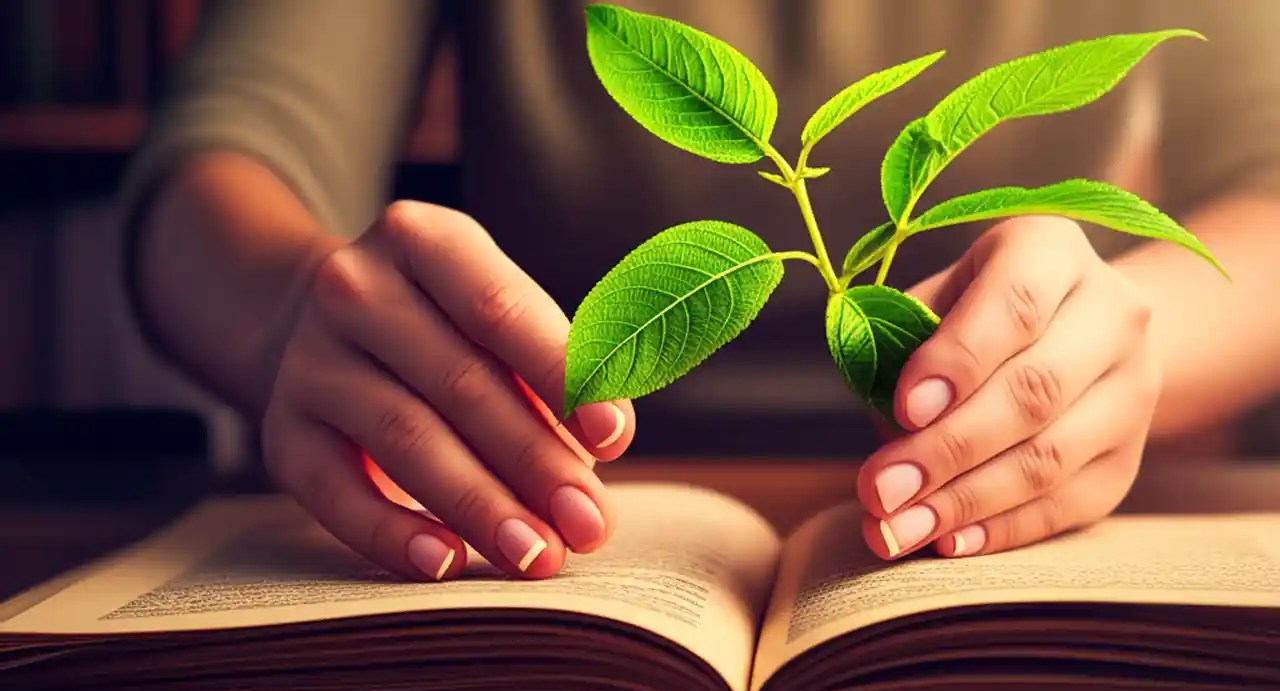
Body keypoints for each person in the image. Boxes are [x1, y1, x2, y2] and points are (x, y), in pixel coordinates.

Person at [121, 0, 1280, 581]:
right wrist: (287, 311)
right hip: (558, 530)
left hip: (1019, 542)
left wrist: (1133, 344)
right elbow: (220, 158)